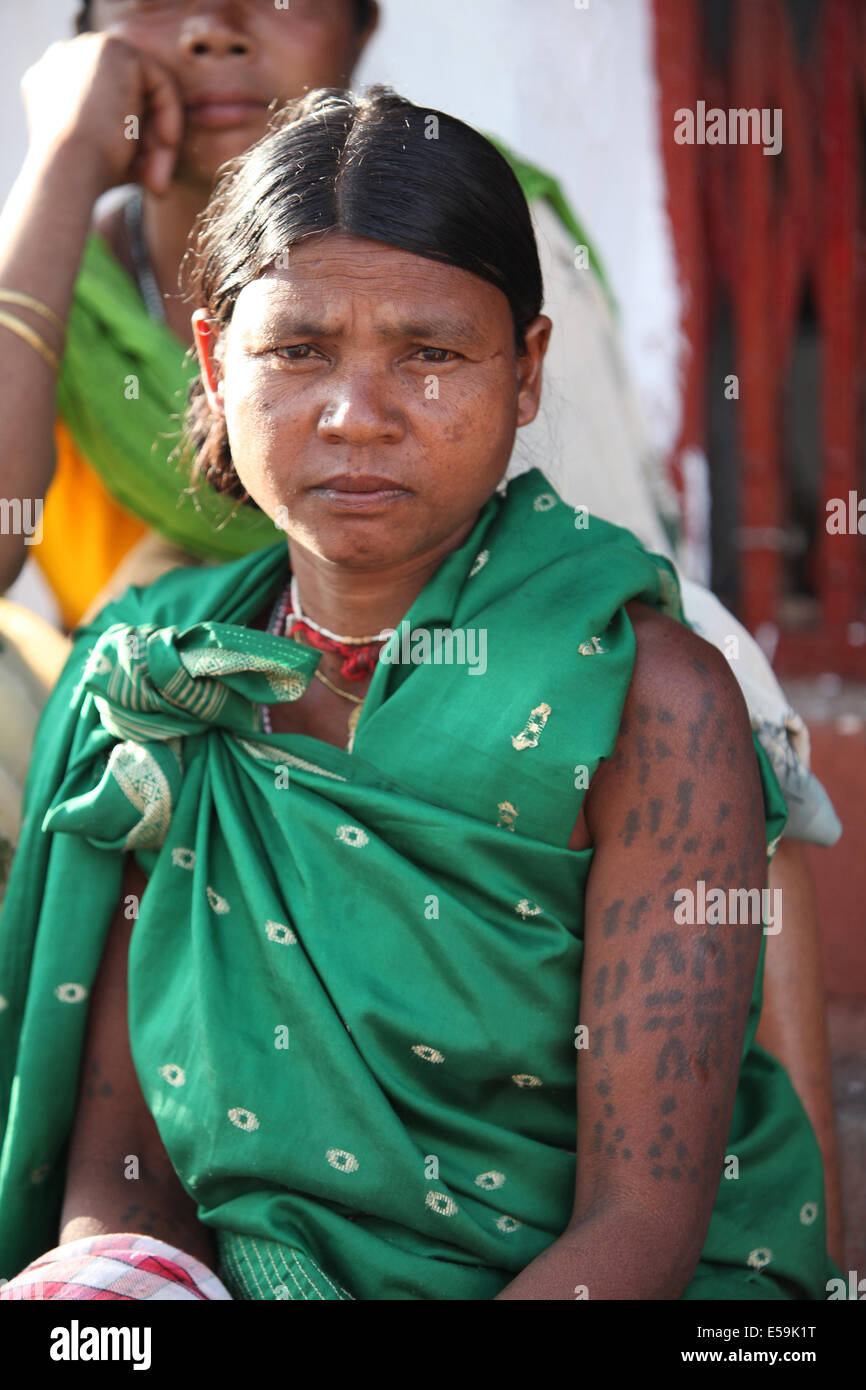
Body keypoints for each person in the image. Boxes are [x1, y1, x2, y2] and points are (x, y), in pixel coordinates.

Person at [0, 0, 844, 1260]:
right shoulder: (162, 689)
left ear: (525, 370)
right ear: (213, 367)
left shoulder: (641, 698)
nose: (356, 414)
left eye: (432, 355)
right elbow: (127, 1179)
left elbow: (638, 1225)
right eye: (294, 349)